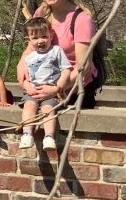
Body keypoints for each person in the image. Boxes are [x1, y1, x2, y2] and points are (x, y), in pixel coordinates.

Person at [18, 0, 97, 109]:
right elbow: (30, 50)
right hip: (41, 85)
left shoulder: (81, 19)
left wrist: (56, 88)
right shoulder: (41, 12)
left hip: (73, 89)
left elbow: (83, 67)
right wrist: (22, 72)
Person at [19, 17, 72, 151]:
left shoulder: (56, 51)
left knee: (48, 109)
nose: (40, 41)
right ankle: (27, 134)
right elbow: (25, 78)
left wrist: (58, 87)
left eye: (44, 36)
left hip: (51, 93)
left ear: (51, 35)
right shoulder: (28, 57)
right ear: (29, 40)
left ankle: (49, 137)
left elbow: (66, 69)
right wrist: (28, 88)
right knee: (29, 105)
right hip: (33, 91)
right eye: (35, 38)